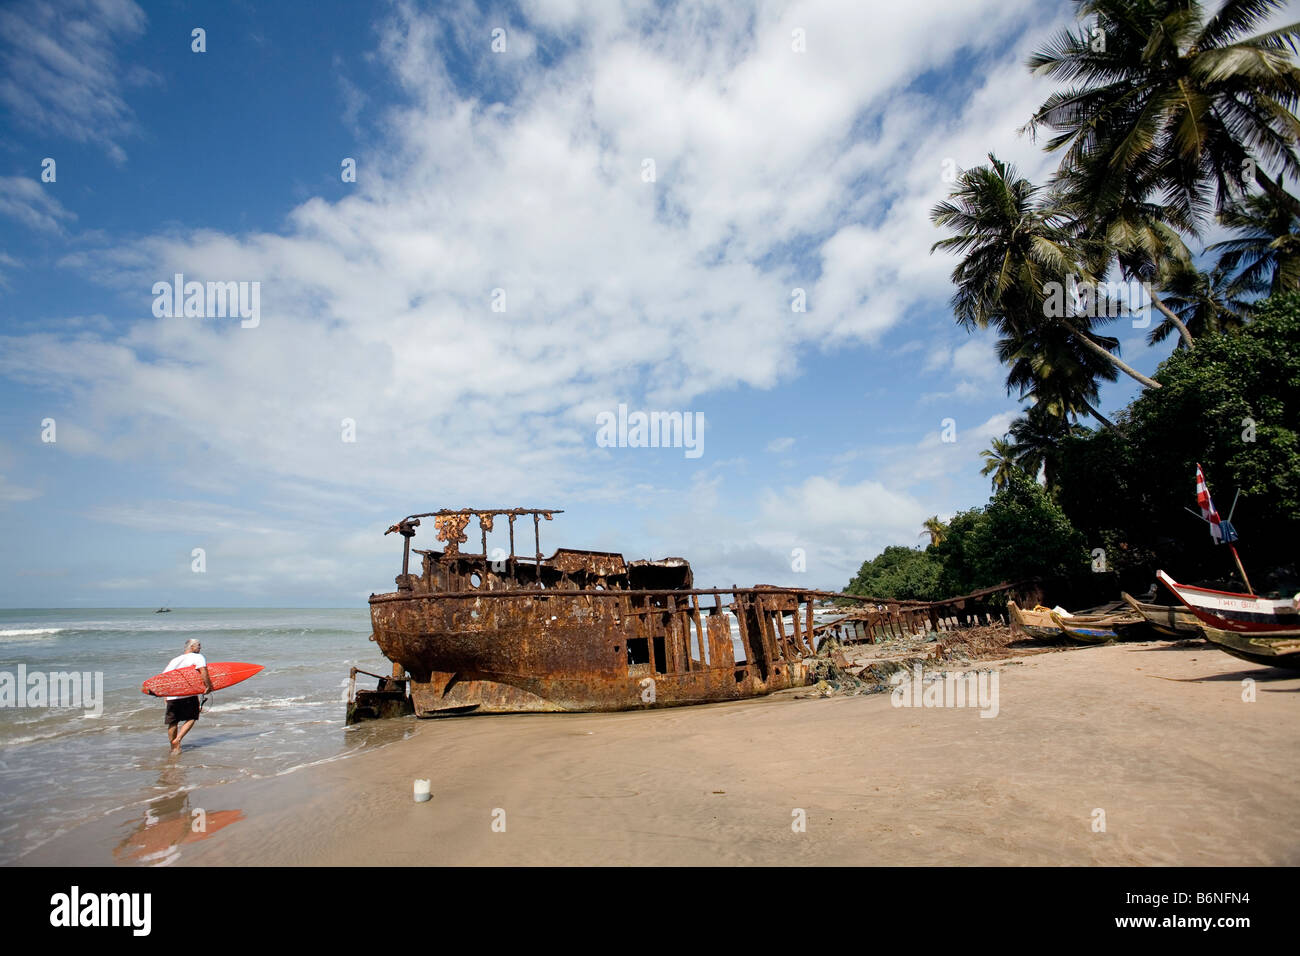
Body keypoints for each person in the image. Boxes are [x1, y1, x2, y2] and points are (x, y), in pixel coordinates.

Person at [162, 639, 213, 755]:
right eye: (199, 645)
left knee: (173, 722)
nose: (200, 648)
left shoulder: (175, 660)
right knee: (192, 717)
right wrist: (208, 686)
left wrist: (165, 694)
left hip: (172, 694)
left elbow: (164, 677)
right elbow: (203, 670)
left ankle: (174, 748)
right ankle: (178, 739)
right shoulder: (198, 657)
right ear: (192, 646)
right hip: (187, 693)